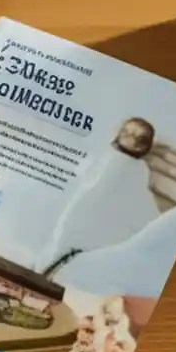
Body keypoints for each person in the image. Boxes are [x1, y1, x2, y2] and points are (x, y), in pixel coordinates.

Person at [39, 117, 162, 272]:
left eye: (139, 137)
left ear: (147, 144)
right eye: (128, 132)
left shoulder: (137, 173)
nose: (131, 137)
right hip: (73, 225)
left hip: (94, 238)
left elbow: (142, 212)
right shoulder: (103, 156)